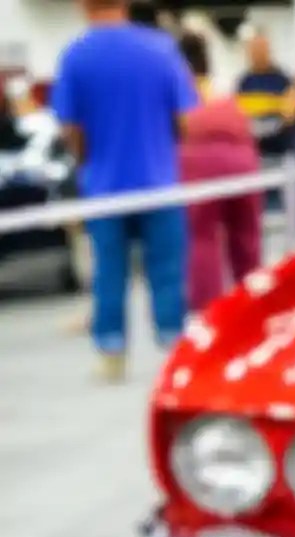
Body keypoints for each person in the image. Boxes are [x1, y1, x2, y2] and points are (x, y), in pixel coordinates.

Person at [52, 0, 198, 382]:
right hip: (159, 182)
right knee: (166, 270)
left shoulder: (75, 56)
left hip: (104, 186)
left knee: (108, 272)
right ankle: (173, 348)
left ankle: (111, 352)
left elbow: (70, 128)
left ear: (83, 5)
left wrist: (89, 157)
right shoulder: (161, 49)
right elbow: (185, 120)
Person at [177, 32, 262, 313]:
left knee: (202, 239)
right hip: (244, 161)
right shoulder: (224, 88)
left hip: (200, 162)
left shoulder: (181, 93)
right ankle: (253, 304)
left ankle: (209, 310)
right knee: (247, 237)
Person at [237, 32, 293, 163]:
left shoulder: (283, 80)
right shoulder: (244, 82)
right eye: (254, 49)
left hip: (279, 147)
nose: (258, 53)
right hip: (253, 148)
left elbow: (290, 114)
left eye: (261, 49)